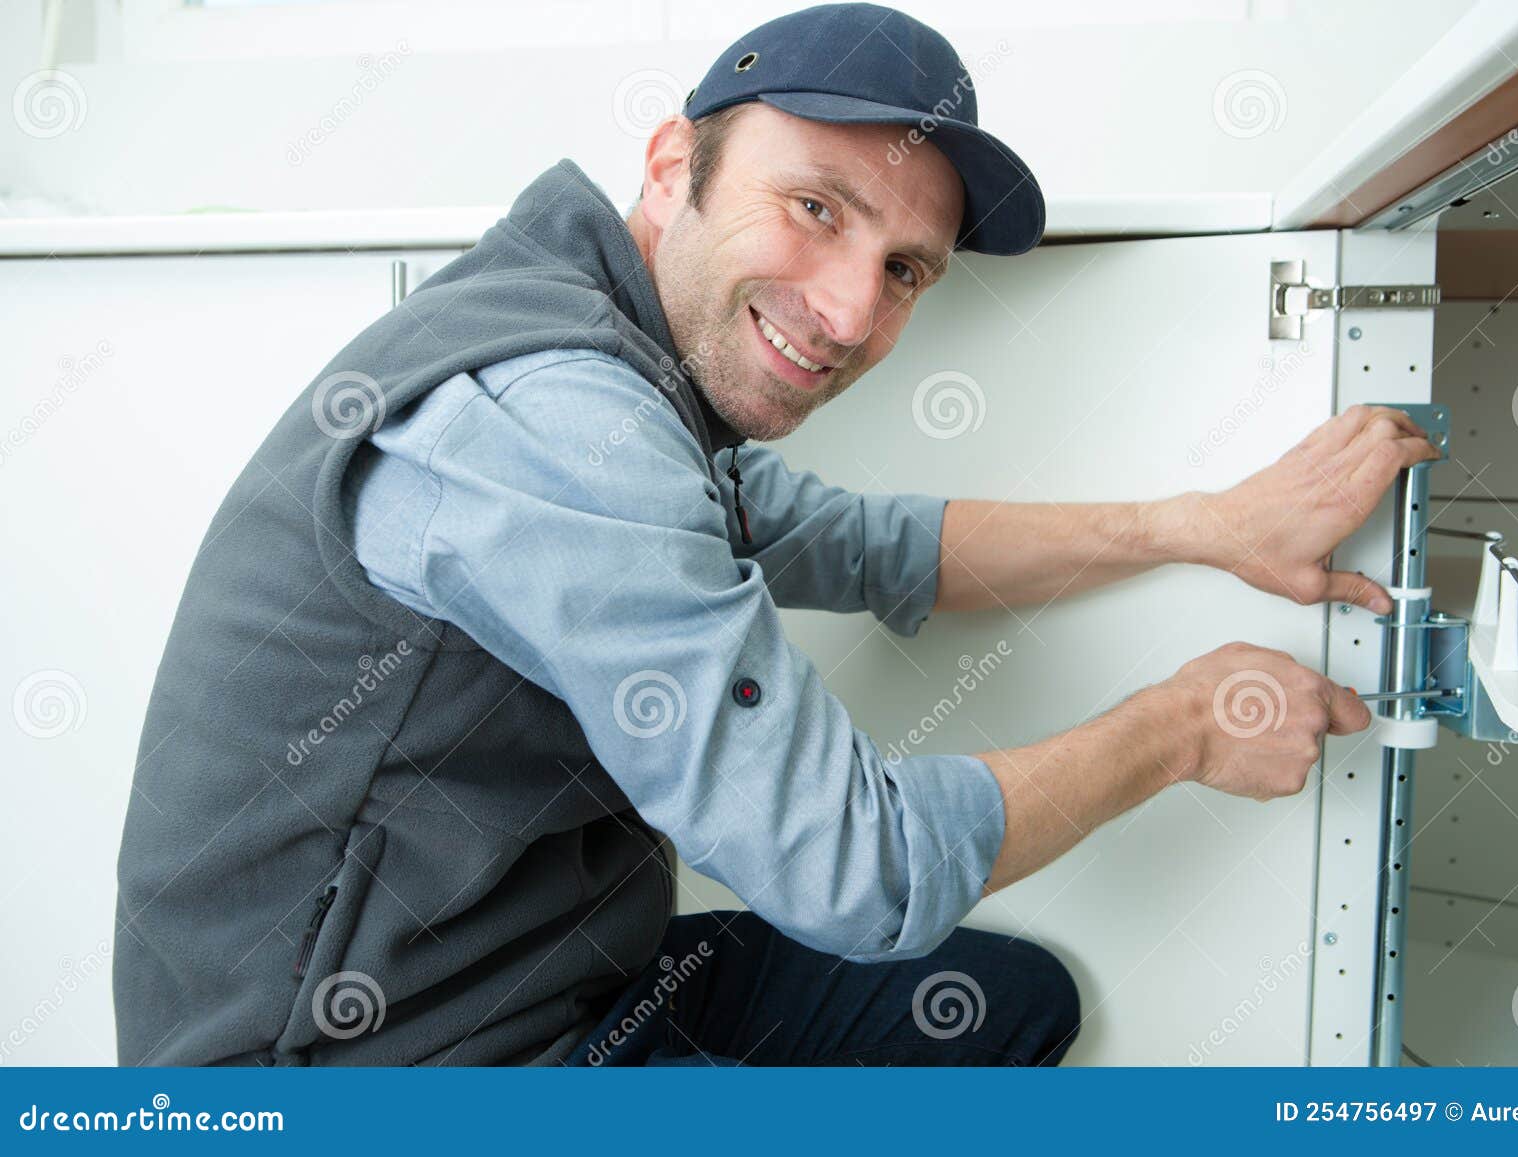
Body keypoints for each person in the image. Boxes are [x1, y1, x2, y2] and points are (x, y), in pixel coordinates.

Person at [113, 3, 1435, 1067]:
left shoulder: (613, 354)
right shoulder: (558, 424)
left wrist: (1208, 526)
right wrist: (1185, 728)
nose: (854, 312)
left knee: (1005, 1002)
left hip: (544, 979)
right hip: (369, 1074)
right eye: (817, 208)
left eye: (906, 267)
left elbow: (875, 549)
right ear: (671, 169)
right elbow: (855, 867)